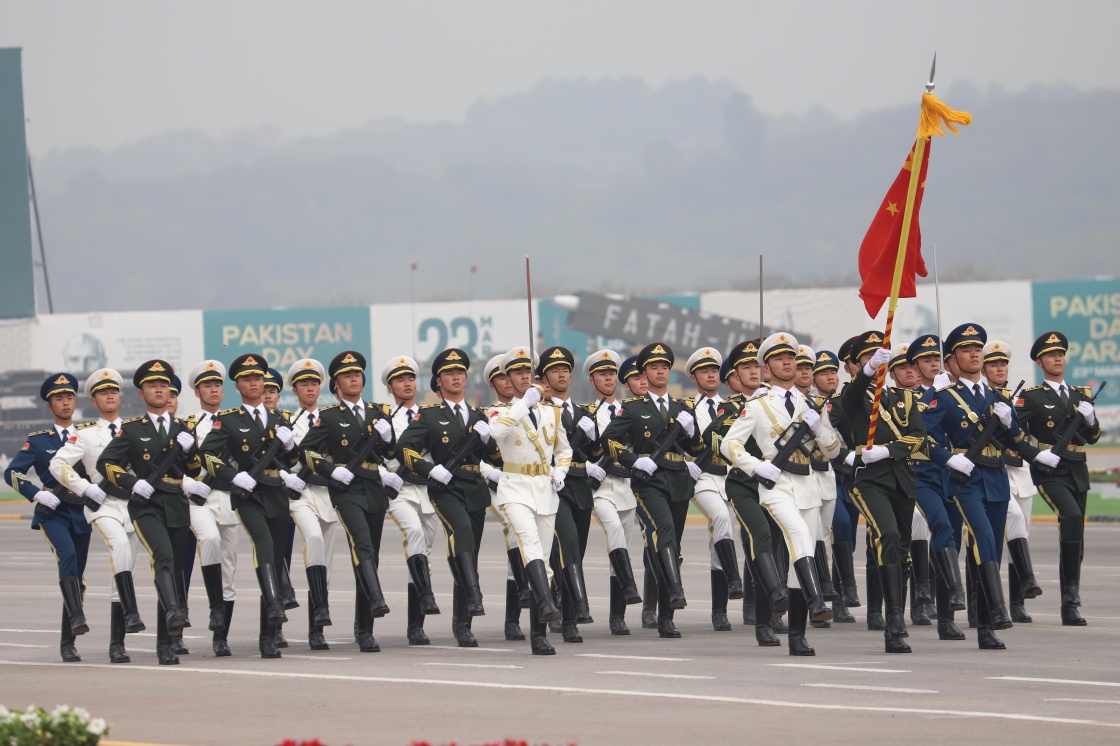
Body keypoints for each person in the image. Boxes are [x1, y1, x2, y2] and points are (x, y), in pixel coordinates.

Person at [720, 333, 841, 656]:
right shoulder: (758, 405)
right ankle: (817, 601)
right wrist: (756, 466)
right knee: (799, 534)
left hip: (808, 487)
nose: (787, 363)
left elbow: (831, 451)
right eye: (778, 359)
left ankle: (798, 636)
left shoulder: (812, 405)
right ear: (767, 368)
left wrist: (820, 430)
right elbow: (728, 444)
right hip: (775, 487)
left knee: (800, 551)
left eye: (792, 358)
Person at [923, 323, 1029, 650]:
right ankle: (998, 608)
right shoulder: (943, 397)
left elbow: (1016, 442)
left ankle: (985, 627)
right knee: (982, 536)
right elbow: (918, 440)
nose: (974, 354)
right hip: (964, 480)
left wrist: (1011, 424)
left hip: (996, 478)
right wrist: (947, 459)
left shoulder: (998, 397)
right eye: (967, 350)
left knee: (990, 548)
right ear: (953, 358)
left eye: (978, 350)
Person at [96, 360, 203, 665]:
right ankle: (174, 611)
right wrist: (133, 482)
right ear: (141, 394)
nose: (159, 390)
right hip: (147, 505)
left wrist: (190, 451)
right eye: (152, 386)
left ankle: (166, 644)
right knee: (164, 556)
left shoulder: (184, 429)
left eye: (163, 385)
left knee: (174, 570)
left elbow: (193, 469)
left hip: (177, 504)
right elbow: (106, 463)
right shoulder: (131, 429)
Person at [197, 353, 303, 659]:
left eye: (258, 378)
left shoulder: (280, 419)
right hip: (248, 495)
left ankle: (267, 637)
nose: (254, 383)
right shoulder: (229, 420)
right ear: (238, 385)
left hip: (276, 493)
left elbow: (291, 462)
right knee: (264, 544)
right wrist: (233, 476)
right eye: (247, 379)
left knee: (275, 552)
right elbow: (207, 454)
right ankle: (274, 603)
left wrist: (292, 446)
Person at [397, 348, 503, 648]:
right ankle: (474, 595)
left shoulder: (479, 415)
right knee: (462, 533)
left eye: (460, 373)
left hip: (475, 488)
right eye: (449, 374)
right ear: (438, 382)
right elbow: (404, 449)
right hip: (447, 488)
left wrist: (488, 441)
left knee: (468, 551)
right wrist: (429, 470)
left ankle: (462, 624)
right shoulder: (430, 415)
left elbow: (496, 458)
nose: (455, 377)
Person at [602, 343, 706, 640]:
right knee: (663, 531)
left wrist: (693, 432)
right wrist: (636, 460)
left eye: (664, 367)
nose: (659, 371)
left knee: (671, 545)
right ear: (644, 374)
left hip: (678, 480)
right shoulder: (634, 408)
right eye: (653, 368)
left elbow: (696, 449)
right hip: (650, 481)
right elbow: (609, 441)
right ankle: (675, 588)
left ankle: (665, 617)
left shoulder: (682, 408)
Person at [298, 351, 397, 653]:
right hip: (347, 489)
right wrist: (331, 470)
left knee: (370, 557)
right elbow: (306, 451)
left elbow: (391, 454)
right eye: (347, 375)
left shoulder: (379, 412)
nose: (354, 378)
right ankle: (377, 599)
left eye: (357, 374)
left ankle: (364, 629)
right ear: (337, 385)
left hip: (374, 488)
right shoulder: (329, 417)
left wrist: (389, 436)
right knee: (362, 544)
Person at [841, 333, 929, 654]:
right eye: (868, 359)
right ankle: (894, 620)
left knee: (902, 547)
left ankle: (896, 619)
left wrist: (890, 450)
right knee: (888, 535)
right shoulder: (851, 397)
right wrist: (865, 374)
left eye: (879, 360)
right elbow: (849, 402)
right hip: (868, 480)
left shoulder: (904, 399)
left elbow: (919, 437)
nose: (875, 364)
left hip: (901, 477)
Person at [49, 368, 145, 664]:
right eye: (103, 393)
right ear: (94, 401)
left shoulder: (135, 429)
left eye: (114, 392)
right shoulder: (87, 433)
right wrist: (86, 488)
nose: (110, 397)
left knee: (125, 561)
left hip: (133, 506)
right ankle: (132, 612)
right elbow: (58, 464)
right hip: (103, 506)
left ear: (120, 396)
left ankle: (118, 644)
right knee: (119, 547)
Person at [486, 346, 574, 654]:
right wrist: (523, 404)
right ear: (508, 379)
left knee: (546, 557)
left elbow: (563, 450)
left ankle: (539, 634)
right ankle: (548, 603)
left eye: (528, 372)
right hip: (515, 488)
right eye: (518, 374)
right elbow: (496, 431)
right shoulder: (502, 411)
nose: (525, 377)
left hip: (545, 489)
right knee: (529, 543)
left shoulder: (552, 411)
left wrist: (560, 470)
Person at [1016, 331, 1102, 627]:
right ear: (1040, 361)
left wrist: (1091, 420)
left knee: (1076, 537)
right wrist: (1035, 455)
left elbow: (1092, 437)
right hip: (1049, 470)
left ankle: (1070, 602)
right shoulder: (1032, 397)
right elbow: (1013, 435)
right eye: (1051, 355)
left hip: (1077, 467)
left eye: (1061, 354)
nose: (1058, 359)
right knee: (1071, 514)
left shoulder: (1082, 395)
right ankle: (1070, 600)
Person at [7, 373, 91, 662]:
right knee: (66, 555)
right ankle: (77, 618)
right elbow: (12, 473)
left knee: (77, 576)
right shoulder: (40, 441)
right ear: (49, 406)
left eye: (69, 397)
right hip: (53, 512)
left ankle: (69, 641)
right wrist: (35, 493)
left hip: (82, 512)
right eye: (59, 399)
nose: (65, 403)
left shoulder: (88, 435)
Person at [712, 340, 790, 648]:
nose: (753, 372)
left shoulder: (779, 401)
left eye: (757, 366)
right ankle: (772, 602)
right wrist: (750, 409)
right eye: (746, 367)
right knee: (761, 537)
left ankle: (770, 617)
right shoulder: (730, 406)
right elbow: (715, 437)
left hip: (777, 483)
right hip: (744, 483)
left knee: (777, 543)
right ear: (734, 375)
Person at [174, 360, 241, 657]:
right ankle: (176, 633)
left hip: (228, 500)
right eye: (207, 386)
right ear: (197, 391)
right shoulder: (186, 426)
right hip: (195, 500)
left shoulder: (237, 422)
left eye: (217, 385)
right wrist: (190, 484)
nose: (213, 390)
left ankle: (220, 635)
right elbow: (172, 467)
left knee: (229, 569)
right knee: (184, 565)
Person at [907, 334, 967, 641]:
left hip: (951, 476)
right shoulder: (909, 399)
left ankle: (946, 617)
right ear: (915, 368)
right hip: (922, 475)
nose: (933, 363)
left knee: (952, 538)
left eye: (936, 359)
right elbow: (913, 438)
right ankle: (953, 589)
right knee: (939, 525)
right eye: (926, 360)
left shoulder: (956, 394)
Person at [380, 355, 443, 646]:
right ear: (390, 387)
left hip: (427, 490)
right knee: (414, 535)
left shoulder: (429, 415)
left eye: (410, 379)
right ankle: (427, 598)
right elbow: (372, 457)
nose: (407, 384)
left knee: (422, 554)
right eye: (400, 380)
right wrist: (384, 475)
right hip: (400, 489)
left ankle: (415, 626)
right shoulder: (383, 419)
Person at [539, 346, 598, 643]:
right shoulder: (542, 411)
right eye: (554, 371)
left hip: (580, 486)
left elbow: (596, 453)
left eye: (565, 370)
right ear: (544, 378)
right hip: (554, 486)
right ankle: (572, 618)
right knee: (568, 543)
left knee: (577, 552)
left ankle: (560, 604)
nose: (561, 375)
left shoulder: (586, 412)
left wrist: (594, 437)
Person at [281, 358, 339, 650]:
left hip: (327, 493)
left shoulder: (332, 418)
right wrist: (285, 476)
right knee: (313, 539)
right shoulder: (285, 423)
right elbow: (276, 459)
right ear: (295, 390)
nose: (310, 388)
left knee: (325, 563)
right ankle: (314, 615)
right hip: (300, 493)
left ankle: (317, 629)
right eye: (304, 384)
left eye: (314, 383)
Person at [982, 341, 1042, 624]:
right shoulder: (980, 397)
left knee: (1020, 534)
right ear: (983, 369)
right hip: (994, 472)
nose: (999, 369)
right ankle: (992, 601)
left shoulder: (1019, 400)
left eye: (1003, 364)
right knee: (1002, 529)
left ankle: (1017, 603)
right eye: (993, 364)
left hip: (1020, 474)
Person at [685, 347, 744, 632]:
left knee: (716, 543)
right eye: (704, 371)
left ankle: (719, 611)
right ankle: (734, 579)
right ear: (694, 377)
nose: (711, 375)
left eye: (714, 370)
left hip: (731, 475)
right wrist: (686, 463)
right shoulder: (685, 408)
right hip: (702, 476)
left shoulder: (733, 406)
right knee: (721, 518)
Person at [585, 350, 643, 636]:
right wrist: (587, 464)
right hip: (600, 488)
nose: (608, 378)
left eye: (611, 374)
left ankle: (617, 617)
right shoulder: (585, 414)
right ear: (592, 379)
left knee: (620, 548)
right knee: (614, 533)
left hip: (626, 488)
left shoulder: (630, 411)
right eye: (601, 374)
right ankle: (630, 586)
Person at [480, 354, 532, 642]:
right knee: (515, 528)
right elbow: (473, 456)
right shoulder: (488, 413)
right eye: (502, 377)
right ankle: (516, 608)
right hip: (499, 485)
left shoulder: (531, 409)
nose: (509, 381)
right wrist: (491, 474)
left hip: (529, 482)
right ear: (494, 383)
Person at [812, 349, 859, 624]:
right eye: (823, 373)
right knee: (837, 525)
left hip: (850, 474)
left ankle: (839, 598)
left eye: (832, 372)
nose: (830, 377)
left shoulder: (843, 401)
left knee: (848, 536)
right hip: (826, 473)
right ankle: (831, 594)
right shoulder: (812, 404)